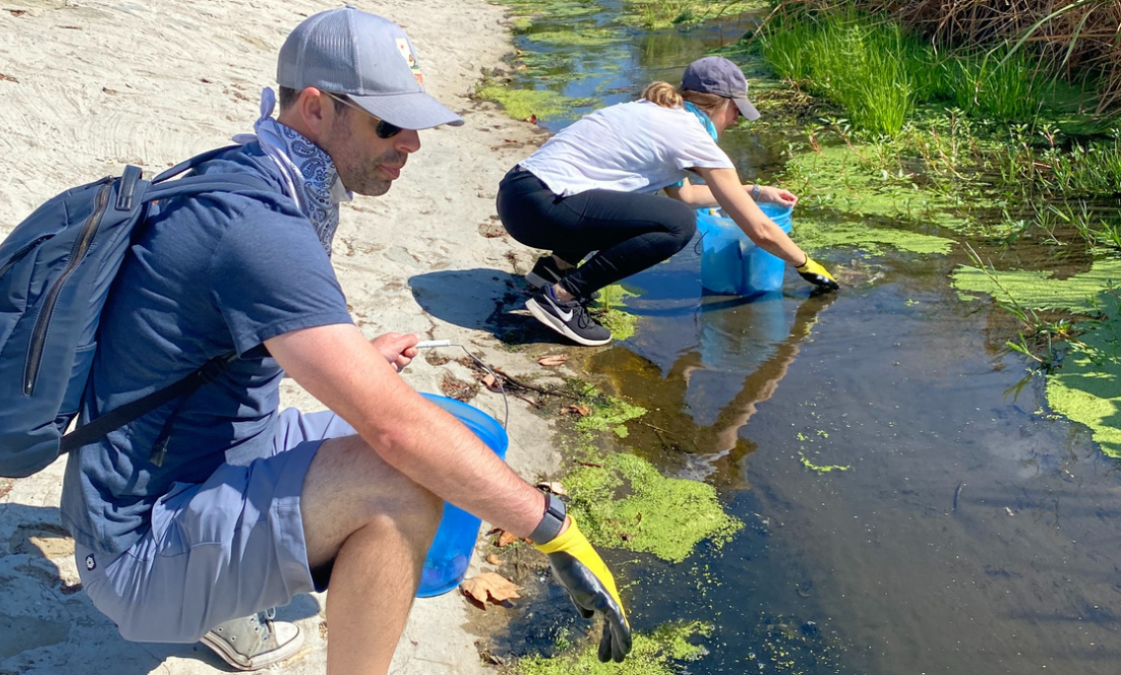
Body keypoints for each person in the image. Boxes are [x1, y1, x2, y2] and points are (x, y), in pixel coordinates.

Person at [61, 7, 630, 673]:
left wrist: (361, 356)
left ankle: (251, 582)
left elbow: (222, 339)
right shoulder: (261, 228)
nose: (412, 142)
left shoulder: (258, 171)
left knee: (455, 434)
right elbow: (394, 432)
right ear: (314, 109)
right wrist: (553, 530)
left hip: (192, 462)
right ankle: (239, 606)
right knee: (405, 473)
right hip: (138, 546)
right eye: (389, 123)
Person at [496, 55, 839, 347]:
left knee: (651, 207)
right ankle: (562, 299)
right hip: (543, 208)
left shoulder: (657, 114)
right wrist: (807, 265)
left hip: (518, 196)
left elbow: (687, 194)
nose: (736, 121)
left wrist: (756, 191)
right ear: (720, 104)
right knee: (678, 224)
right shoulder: (690, 134)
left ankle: (553, 270)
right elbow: (759, 229)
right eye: (737, 111)